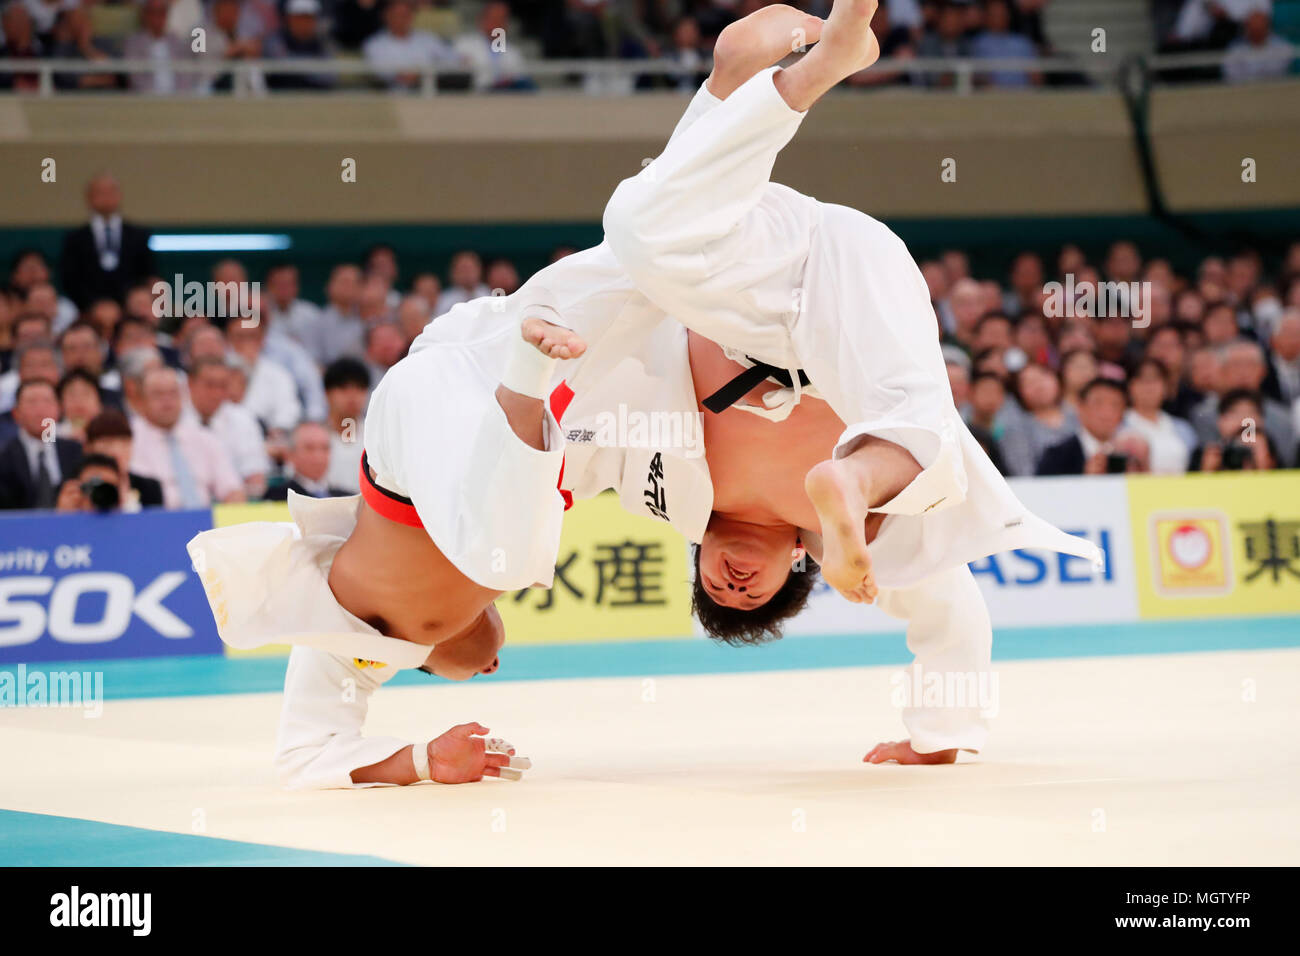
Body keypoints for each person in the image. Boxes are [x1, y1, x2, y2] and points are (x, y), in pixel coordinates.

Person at [60, 173, 155, 310]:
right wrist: (93, 305)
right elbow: (70, 279)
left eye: (111, 191)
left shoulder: (138, 235)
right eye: (100, 192)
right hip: (87, 309)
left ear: (119, 195)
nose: (106, 197)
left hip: (131, 308)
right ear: (89, 198)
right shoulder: (75, 238)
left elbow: (147, 273)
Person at [0, 379, 84, 510]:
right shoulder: (4, 458)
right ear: (16, 413)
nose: (40, 409)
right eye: (32, 402)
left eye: (47, 401)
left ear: (59, 409)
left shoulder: (76, 452)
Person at [84, 409, 164, 510]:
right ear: (88, 448)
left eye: (124, 443)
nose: (116, 452)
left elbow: (156, 523)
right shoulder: (77, 487)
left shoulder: (149, 488)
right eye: (107, 444)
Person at [263, 421, 352, 499]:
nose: (318, 456)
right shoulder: (276, 497)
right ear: (290, 454)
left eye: (325, 448)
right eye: (309, 448)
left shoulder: (346, 498)